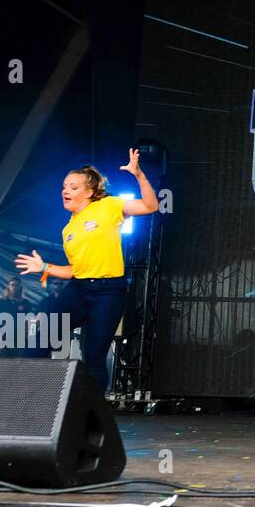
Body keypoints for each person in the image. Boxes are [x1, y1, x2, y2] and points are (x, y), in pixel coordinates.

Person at [14, 149, 159, 392]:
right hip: (78, 289)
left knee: (93, 358)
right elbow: (75, 270)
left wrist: (139, 175)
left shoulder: (108, 206)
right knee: (39, 342)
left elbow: (150, 206)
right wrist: (44, 267)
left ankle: (92, 411)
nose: (65, 191)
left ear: (90, 191)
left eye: (73, 187)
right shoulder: (68, 230)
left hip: (108, 291)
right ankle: (28, 398)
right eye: (64, 187)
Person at [0, 277, 33, 357]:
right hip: (4, 339)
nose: (14, 287)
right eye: (12, 285)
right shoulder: (1, 302)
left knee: (19, 363)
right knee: (2, 363)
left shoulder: (26, 303)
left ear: (20, 287)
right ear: (8, 287)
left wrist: (29, 337)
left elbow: (30, 322)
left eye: (17, 285)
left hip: (20, 341)